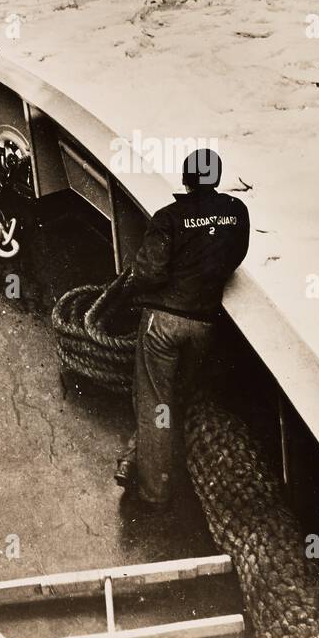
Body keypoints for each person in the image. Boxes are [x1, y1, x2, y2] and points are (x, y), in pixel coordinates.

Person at [116, 147, 250, 507]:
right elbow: (234, 256)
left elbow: (149, 272)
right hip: (204, 326)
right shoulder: (237, 213)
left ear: (186, 180)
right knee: (175, 396)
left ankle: (153, 495)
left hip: (163, 325)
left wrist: (132, 292)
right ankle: (132, 458)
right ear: (217, 179)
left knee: (154, 403)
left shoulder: (169, 217)